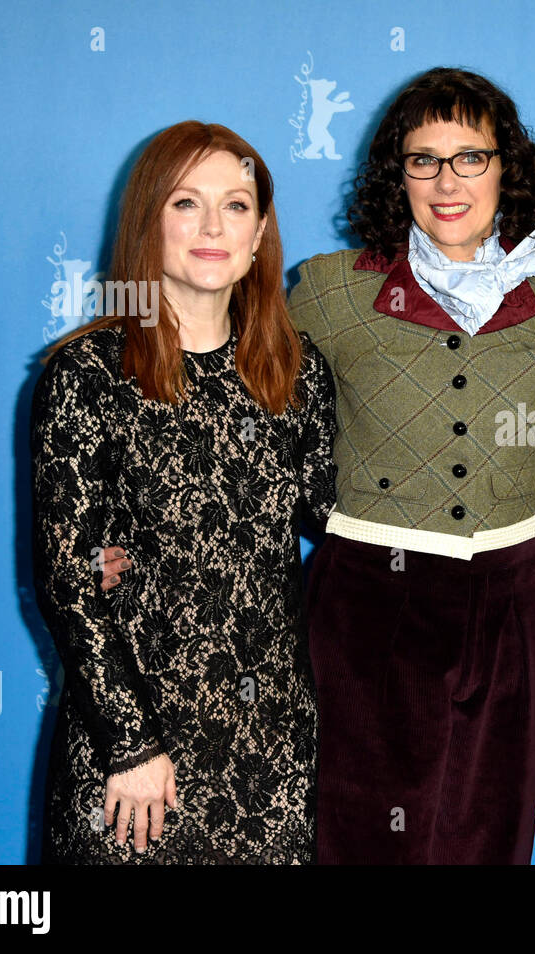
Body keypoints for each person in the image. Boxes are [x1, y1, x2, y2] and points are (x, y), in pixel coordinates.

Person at [287, 67, 535, 864]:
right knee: (366, 836)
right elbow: (240, 410)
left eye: (470, 157)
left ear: (507, 170)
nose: (447, 182)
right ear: (398, 174)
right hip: (374, 600)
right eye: (424, 159)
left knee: (491, 831)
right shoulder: (329, 291)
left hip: (517, 597)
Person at [31, 121, 336, 863]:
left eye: (235, 206)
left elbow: (339, 521)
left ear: (261, 230)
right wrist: (130, 744)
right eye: (185, 203)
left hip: (273, 750)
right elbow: (69, 580)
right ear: (148, 220)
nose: (212, 227)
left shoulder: (300, 373)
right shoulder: (87, 373)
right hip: (131, 751)